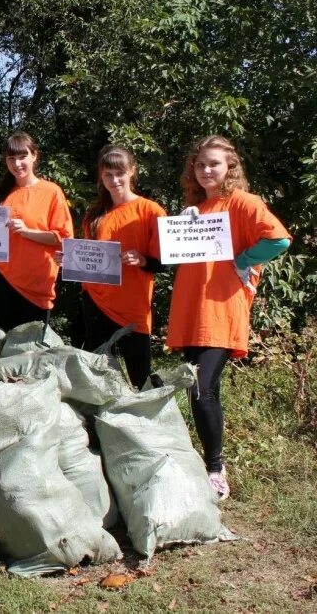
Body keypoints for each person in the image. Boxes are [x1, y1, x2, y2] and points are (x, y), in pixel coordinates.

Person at [166, 135, 290, 500]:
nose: (206, 170)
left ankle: (215, 469)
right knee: (203, 390)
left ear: (230, 167)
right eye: (200, 164)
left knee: (200, 389)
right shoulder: (196, 208)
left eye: (214, 164)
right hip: (192, 308)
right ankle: (209, 463)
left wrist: (244, 261)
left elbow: (279, 240)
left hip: (220, 309)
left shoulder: (242, 202)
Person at [72, 145, 166, 388]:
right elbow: (89, 260)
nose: (114, 180)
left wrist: (143, 260)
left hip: (134, 306)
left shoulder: (151, 211)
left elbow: (164, 263)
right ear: (101, 177)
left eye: (119, 173)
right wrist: (70, 260)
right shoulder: (94, 215)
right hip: (96, 302)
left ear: (132, 171)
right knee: (98, 377)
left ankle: (151, 412)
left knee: (141, 377)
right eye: (108, 175)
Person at [0, 132, 73, 330]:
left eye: (22, 157)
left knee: (30, 346)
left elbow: (63, 238)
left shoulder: (51, 191)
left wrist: (27, 232)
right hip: (3, 281)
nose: (17, 163)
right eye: (11, 158)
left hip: (37, 286)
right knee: (4, 344)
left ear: (34, 156)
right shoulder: (2, 194)